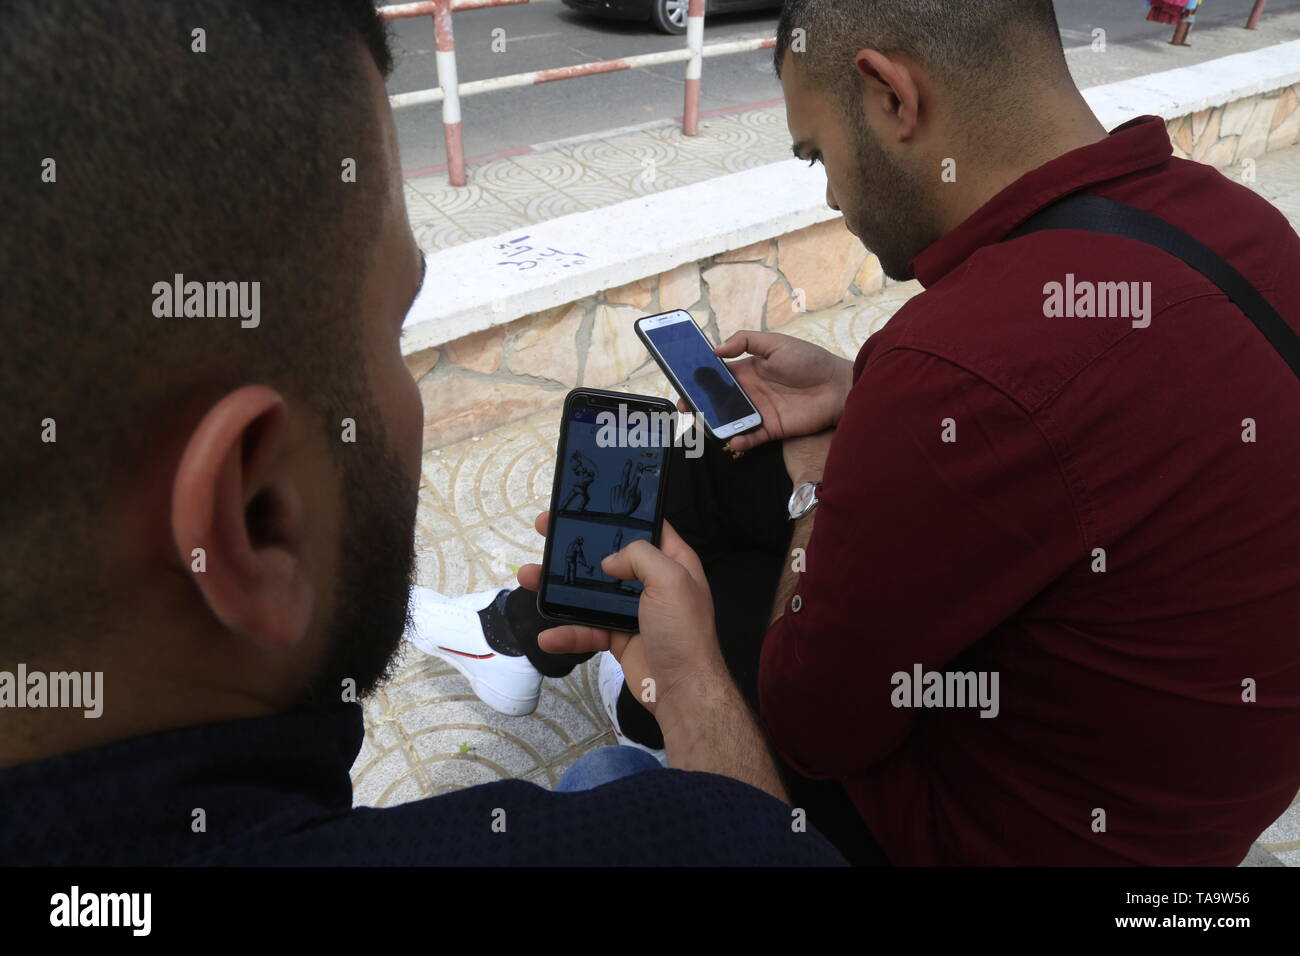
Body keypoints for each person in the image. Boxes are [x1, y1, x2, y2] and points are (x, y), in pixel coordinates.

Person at [432, 0, 1300, 866]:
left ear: (891, 97)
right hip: (1183, 797)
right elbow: (1086, 418)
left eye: (817, 154)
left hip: (997, 826)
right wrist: (864, 392)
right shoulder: (1240, 223)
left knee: (614, 770)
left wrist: (830, 465)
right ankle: (519, 630)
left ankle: (572, 650)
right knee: (719, 459)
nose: (830, 193)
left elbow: (813, 728)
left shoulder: (961, 361)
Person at [0, 0, 845, 867]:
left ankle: (505, 637)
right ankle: (511, 636)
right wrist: (698, 689)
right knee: (608, 770)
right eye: (394, 334)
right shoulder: (676, 844)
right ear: (257, 516)